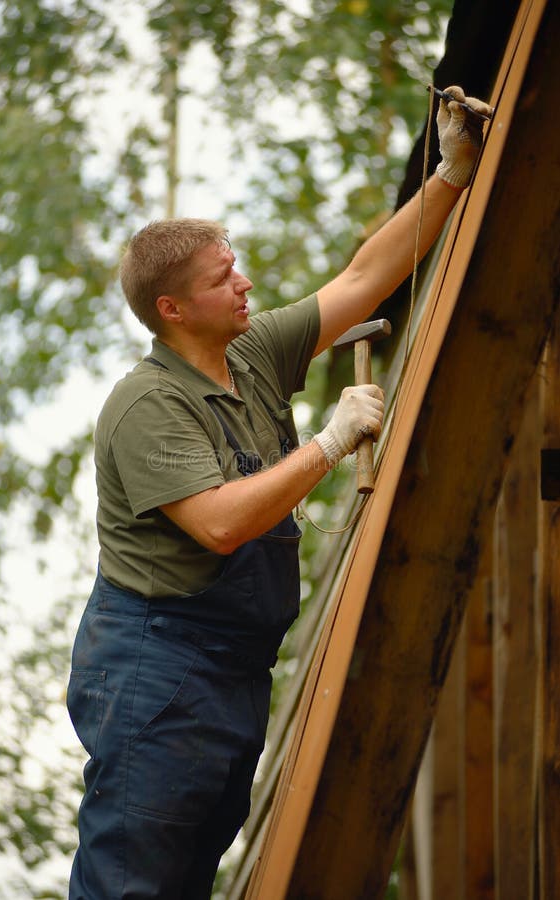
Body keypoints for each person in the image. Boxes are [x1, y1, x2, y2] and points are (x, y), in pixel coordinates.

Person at [67, 86, 492, 899]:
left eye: (237, 265)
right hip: (156, 661)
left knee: (185, 877)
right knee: (134, 883)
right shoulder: (144, 406)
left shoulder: (250, 349)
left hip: (229, 664)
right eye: (224, 278)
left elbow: (365, 278)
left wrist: (447, 173)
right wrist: (330, 444)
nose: (245, 282)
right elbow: (221, 525)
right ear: (173, 308)